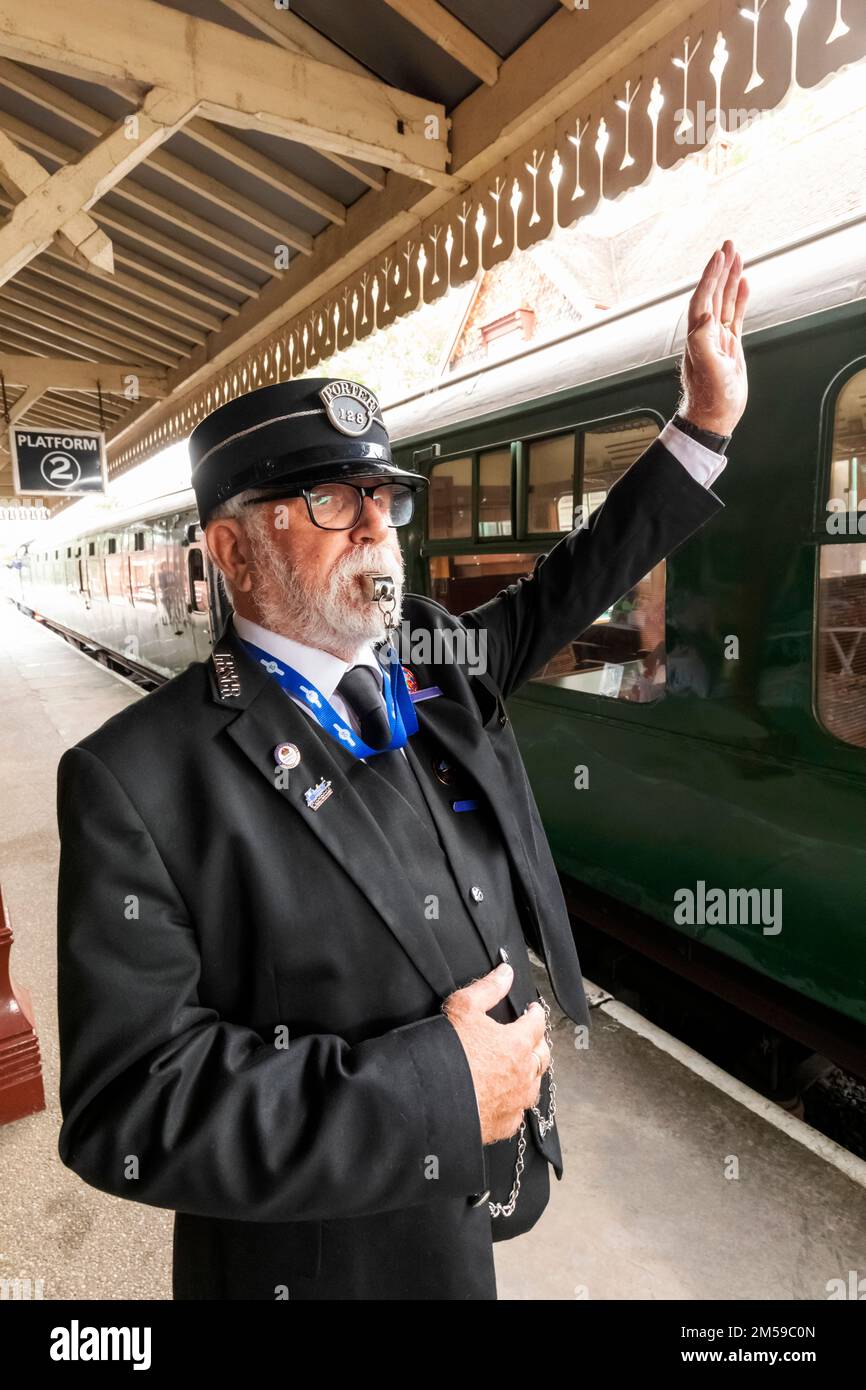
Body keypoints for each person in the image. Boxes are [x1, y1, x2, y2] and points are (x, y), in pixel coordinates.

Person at [56, 242, 749, 1300]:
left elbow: (569, 585)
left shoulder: (430, 657)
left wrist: (698, 429)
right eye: (331, 503)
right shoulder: (135, 780)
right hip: (326, 1263)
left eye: (383, 495)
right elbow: (130, 1109)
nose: (377, 526)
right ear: (234, 555)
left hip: (470, 1210)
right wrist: (435, 1088)